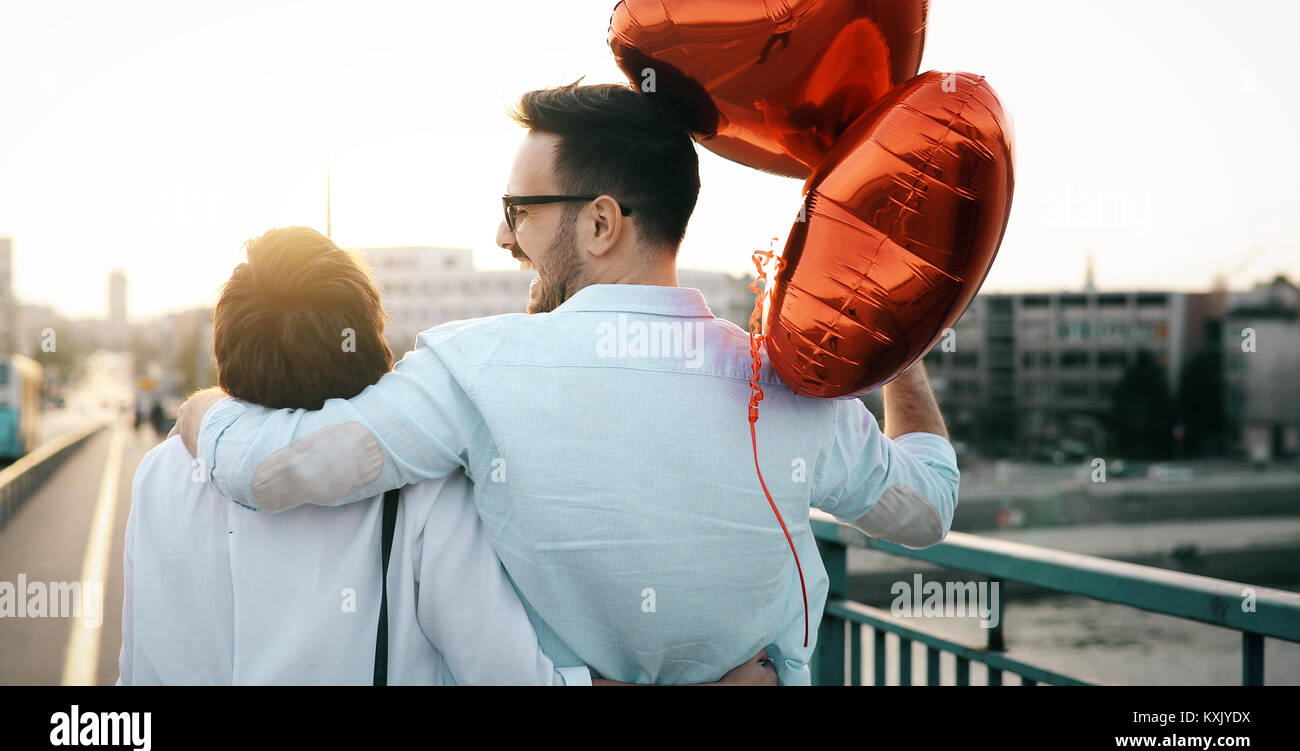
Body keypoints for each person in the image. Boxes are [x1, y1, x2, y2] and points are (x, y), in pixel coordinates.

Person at [177, 84, 959, 685]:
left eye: (518, 210)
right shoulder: (786, 386)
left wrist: (200, 406)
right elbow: (927, 506)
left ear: (600, 223)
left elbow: (271, 470)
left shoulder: (474, 371)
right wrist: (896, 339)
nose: (501, 235)